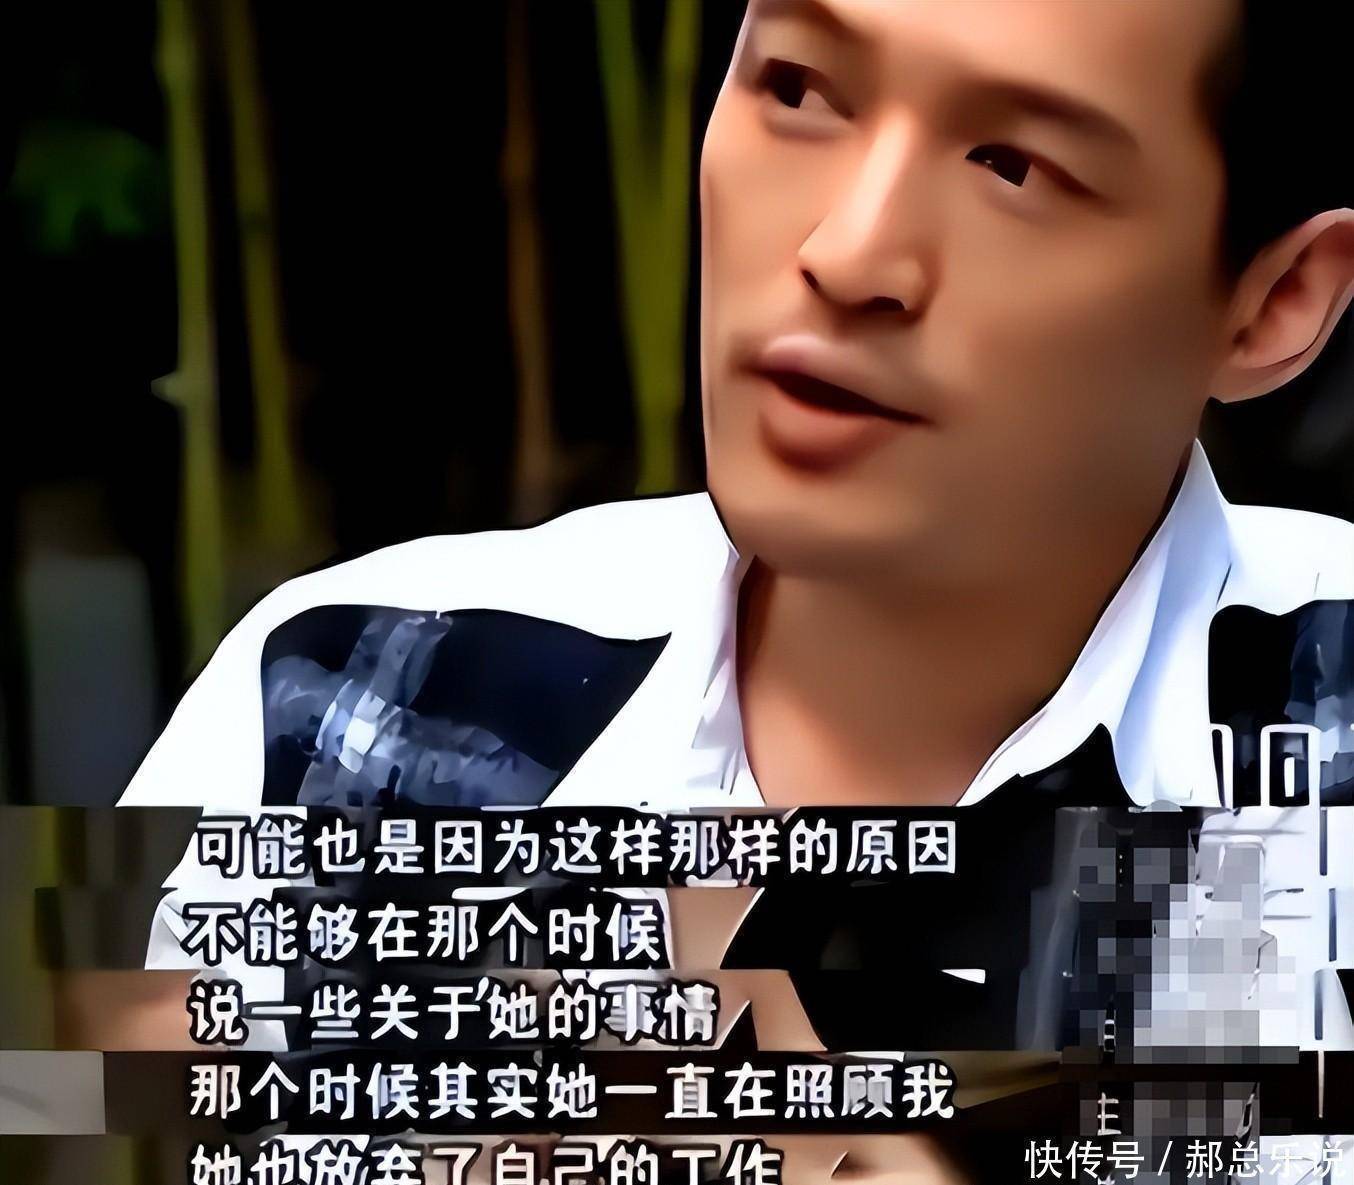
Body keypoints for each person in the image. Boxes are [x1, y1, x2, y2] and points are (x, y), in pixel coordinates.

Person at [110, 0, 1354, 1174]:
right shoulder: (353, 700)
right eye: (799, 90)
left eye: (1012, 167)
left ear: (1273, 302)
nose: (847, 252)